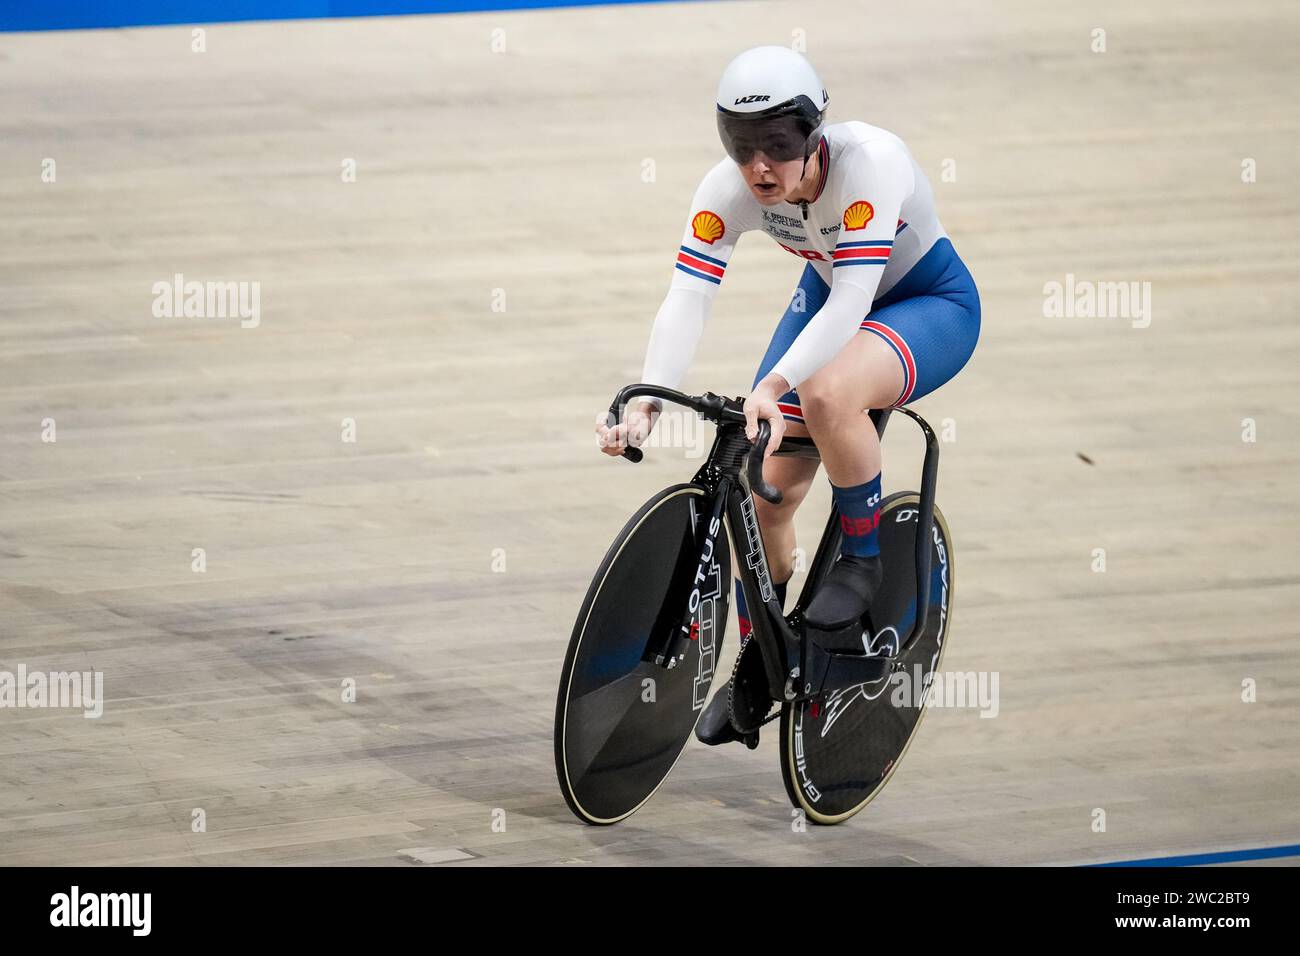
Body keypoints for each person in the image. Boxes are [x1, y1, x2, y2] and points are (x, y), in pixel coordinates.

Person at [594, 46, 980, 745]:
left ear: (814, 134)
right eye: (743, 149)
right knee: (761, 490)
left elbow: (856, 299)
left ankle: (862, 562)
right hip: (833, 295)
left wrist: (773, 384)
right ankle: (764, 660)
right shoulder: (728, 188)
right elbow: (689, 293)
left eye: (778, 146)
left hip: (927, 302)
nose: (760, 168)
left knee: (828, 392)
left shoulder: (870, 162)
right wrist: (652, 399)